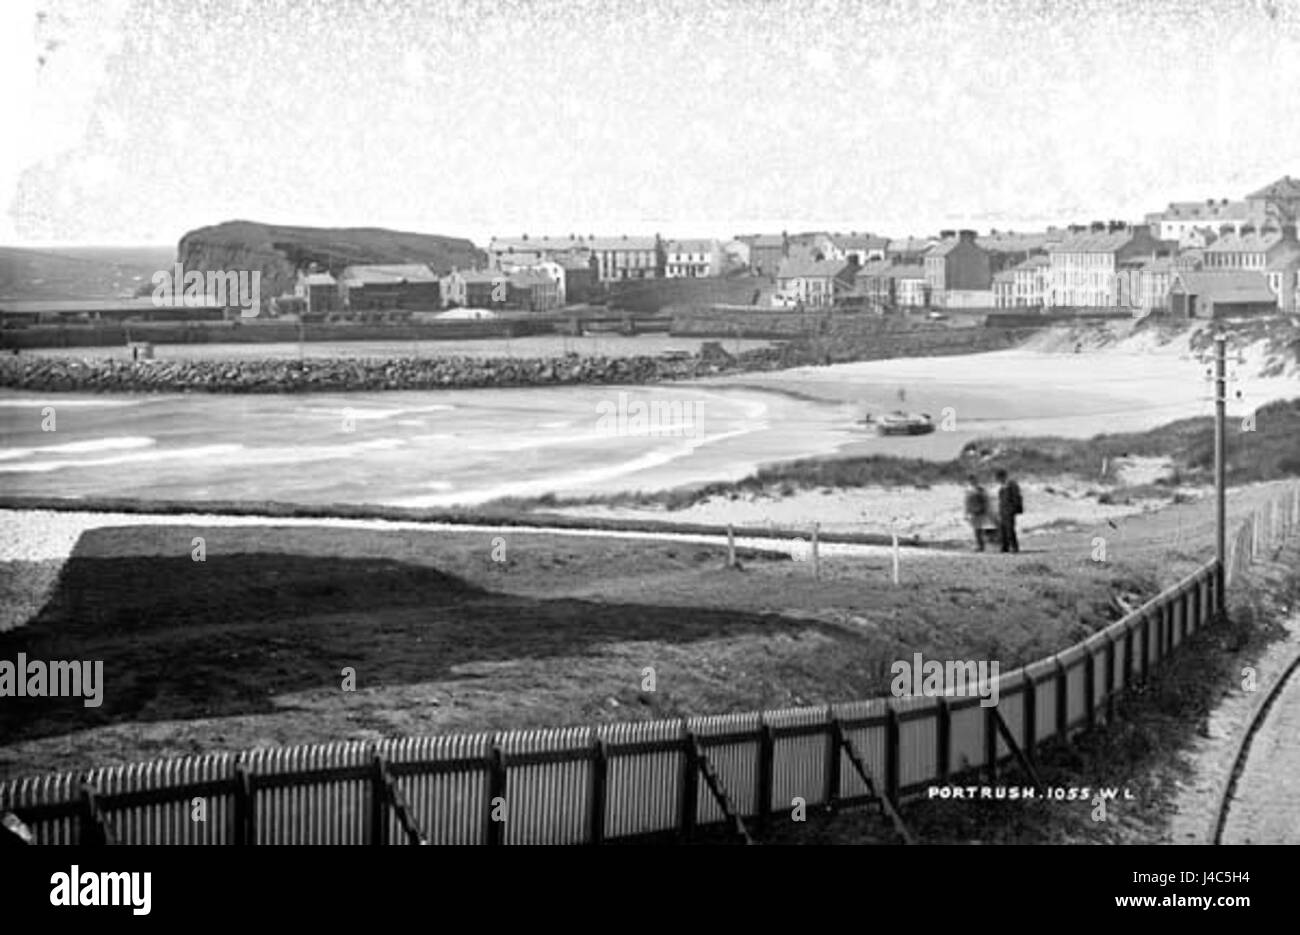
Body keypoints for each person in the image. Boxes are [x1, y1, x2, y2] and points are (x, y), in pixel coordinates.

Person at [995, 468, 1023, 553]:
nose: (998, 480)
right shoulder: (1002, 488)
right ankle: (1005, 547)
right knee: (1002, 529)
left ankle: (1014, 547)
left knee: (1010, 529)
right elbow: (1001, 501)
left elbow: (1017, 497)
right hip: (1003, 511)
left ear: (1003, 476)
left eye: (999, 478)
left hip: (1009, 511)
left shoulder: (1012, 485)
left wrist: (1013, 509)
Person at [963, 475, 991, 551]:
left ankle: (981, 545)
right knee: (976, 529)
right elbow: (966, 502)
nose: (972, 481)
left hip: (980, 511)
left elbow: (986, 500)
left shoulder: (980, 489)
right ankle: (980, 545)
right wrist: (965, 513)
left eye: (974, 480)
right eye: (971, 480)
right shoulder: (968, 490)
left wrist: (987, 510)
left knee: (979, 529)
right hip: (973, 512)